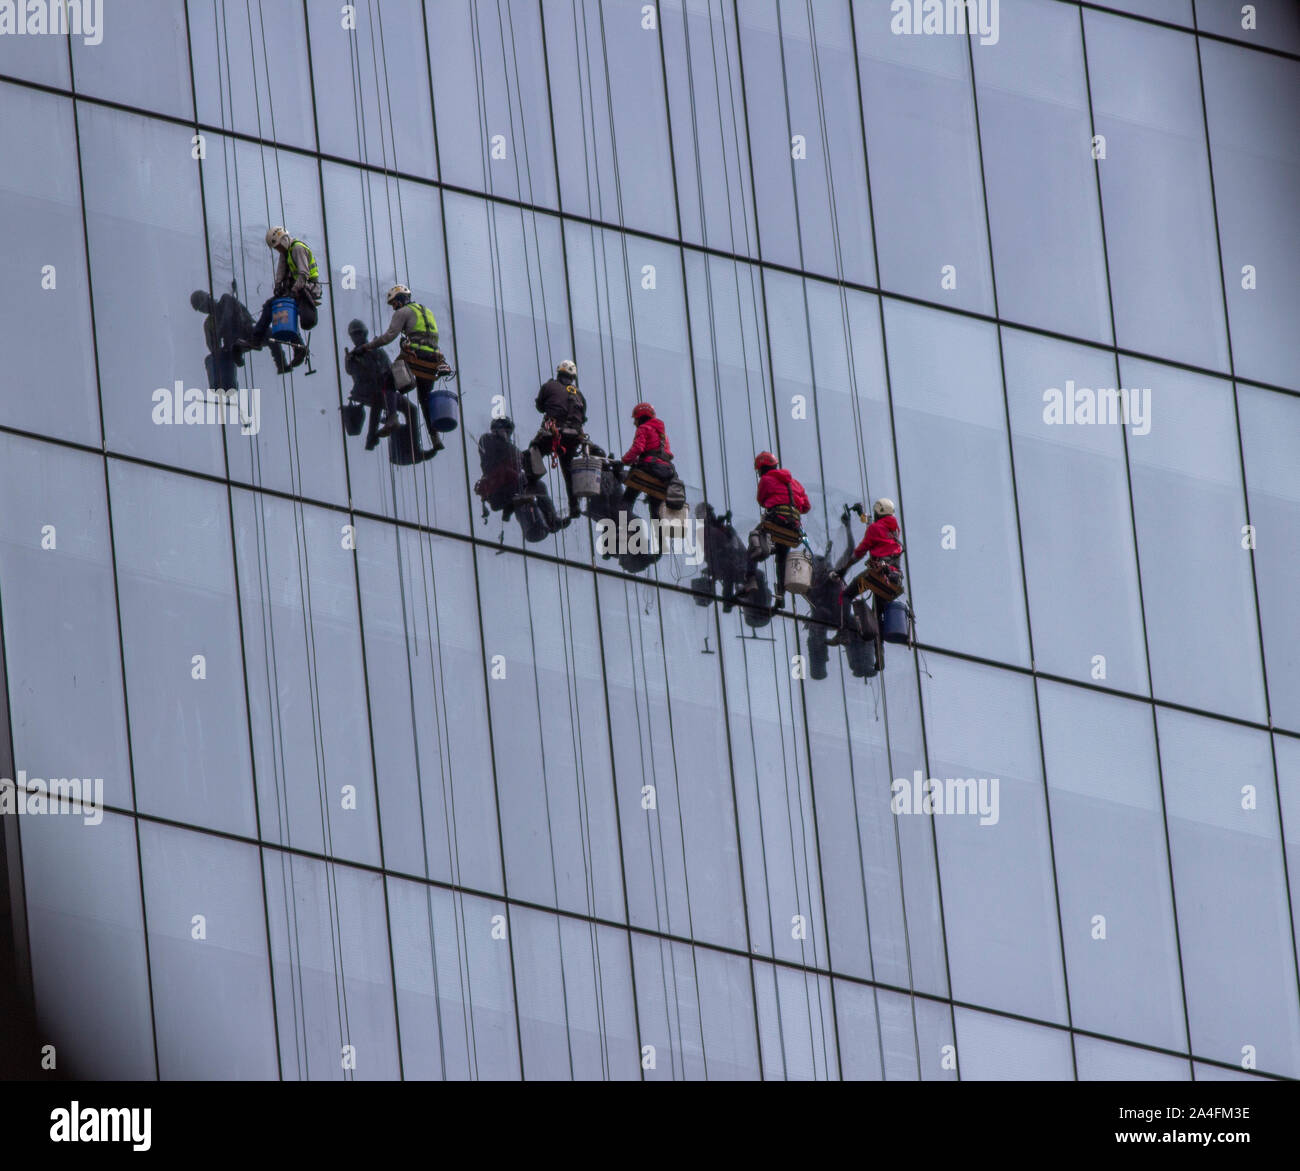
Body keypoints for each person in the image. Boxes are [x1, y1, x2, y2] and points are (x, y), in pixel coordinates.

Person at [354, 285, 453, 442]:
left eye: (394, 303)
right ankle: (435, 437)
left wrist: (366, 347)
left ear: (400, 300)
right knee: (424, 398)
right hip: (433, 360)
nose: (394, 307)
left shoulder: (403, 312)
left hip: (415, 355)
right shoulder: (427, 311)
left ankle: (392, 418)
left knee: (387, 381)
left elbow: (389, 336)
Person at [344, 319, 436, 460]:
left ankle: (378, 439)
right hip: (372, 392)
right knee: (407, 408)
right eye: (355, 334)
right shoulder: (358, 355)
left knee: (409, 408)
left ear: (364, 334)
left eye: (359, 333)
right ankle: (409, 448)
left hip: (376, 393)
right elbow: (369, 372)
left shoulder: (371, 352)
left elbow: (386, 369)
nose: (357, 337)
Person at [739, 451, 811, 612]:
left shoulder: (766, 479)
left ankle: (750, 580)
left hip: (776, 520)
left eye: (759, 471)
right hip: (793, 526)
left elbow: (761, 500)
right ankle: (780, 596)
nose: (759, 474)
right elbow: (806, 507)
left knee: (755, 537)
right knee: (781, 559)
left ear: (762, 468)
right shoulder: (796, 483)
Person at [827, 498, 904, 644]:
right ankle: (879, 656)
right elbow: (877, 531)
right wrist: (863, 515)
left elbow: (859, 552)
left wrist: (842, 570)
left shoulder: (875, 529)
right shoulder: (894, 530)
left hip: (876, 577)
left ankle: (843, 633)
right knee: (878, 615)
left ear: (878, 513)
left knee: (846, 595)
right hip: (891, 580)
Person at [247, 227, 322, 372]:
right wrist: (277, 286)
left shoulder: (297, 249)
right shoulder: (286, 252)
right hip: (297, 288)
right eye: (277, 248)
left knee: (280, 307)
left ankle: (258, 340)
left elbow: (303, 274)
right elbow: (281, 269)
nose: (279, 250)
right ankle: (257, 340)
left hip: (307, 289)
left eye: (279, 246)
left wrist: (293, 291)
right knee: (271, 305)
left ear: (284, 239)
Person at [476, 416, 563, 531]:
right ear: (496, 429)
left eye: (509, 432)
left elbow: (522, 459)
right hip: (497, 489)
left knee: (537, 487)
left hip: (507, 488)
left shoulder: (508, 448)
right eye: (505, 430)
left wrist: (537, 448)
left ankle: (547, 520)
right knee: (538, 486)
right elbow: (510, 453)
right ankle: (552, 521)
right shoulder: (487, 439)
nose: (507, 434)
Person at [528, 360, 588, 520]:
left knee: (534, 449)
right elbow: (583, 416)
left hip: (553, 433)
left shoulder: (549, 386)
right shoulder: (578, 393)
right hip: (573, 436)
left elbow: (540, 406)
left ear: (558, 372)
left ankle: (532, 479)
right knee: (568, 470)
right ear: (573, 377)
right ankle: (574, 507)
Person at [618, 402, 675, 519]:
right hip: (665, 473)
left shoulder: (644, 428)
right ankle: (660, 537)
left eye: (635, 419)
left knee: (627, 500)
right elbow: (666, 454)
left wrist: (624, 461)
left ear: (641, 417)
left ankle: (624, 530)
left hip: (650, 468)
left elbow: (638, 448)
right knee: (655, 509)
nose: (634, 423)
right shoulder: (663, 435)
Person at [191, 288, 253, 393]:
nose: (204, 309)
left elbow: (230, 317)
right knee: (212, 358)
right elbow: (213, 347)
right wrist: (219, 350)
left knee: (230, 338)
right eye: (201, 309)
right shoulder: (209, 324)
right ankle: (222, 384)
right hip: (233, 346)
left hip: (245, 333)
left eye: (203, 305)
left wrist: (219, 331)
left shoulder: (225, 300)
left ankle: (227, 383)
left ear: (208, 297)